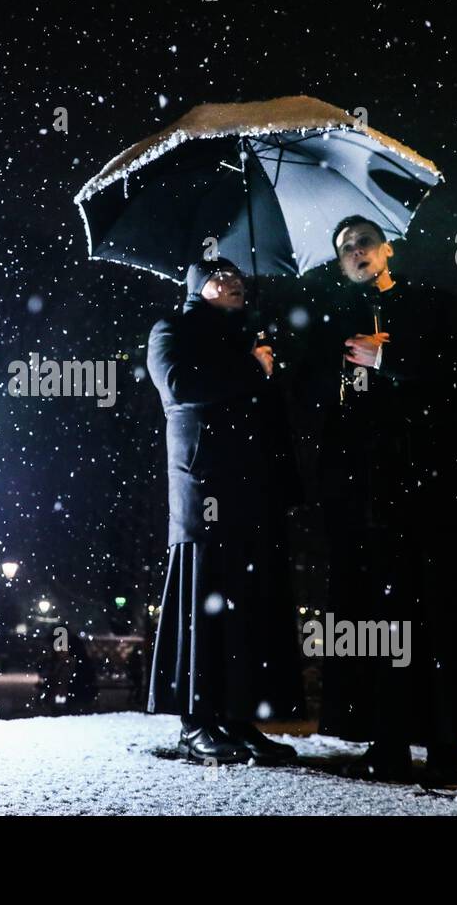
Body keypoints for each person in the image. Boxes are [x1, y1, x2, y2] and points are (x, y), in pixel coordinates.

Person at [314, 216, 457, 783]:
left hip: (430, 484)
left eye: (364, 243)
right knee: (379, 615)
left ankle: (445, 742)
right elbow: (321, 402)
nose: (356, 253)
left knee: (438, 608)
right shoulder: (335, 320)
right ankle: (386, 739)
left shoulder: (433, 305)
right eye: (345, 249)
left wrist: (389, 362)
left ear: (387, 248)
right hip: (370, 493)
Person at [146, 258, 303, 764]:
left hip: (252, 490)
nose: (233, 282)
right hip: (204, 481)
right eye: (219, 277)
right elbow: (178, 385)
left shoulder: (249, 336)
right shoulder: (172, 328)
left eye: (237, 277)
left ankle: (238, 717)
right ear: (195, 286)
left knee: (246, 602)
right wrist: (248, 367)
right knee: (203, 594)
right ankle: (196, 723)